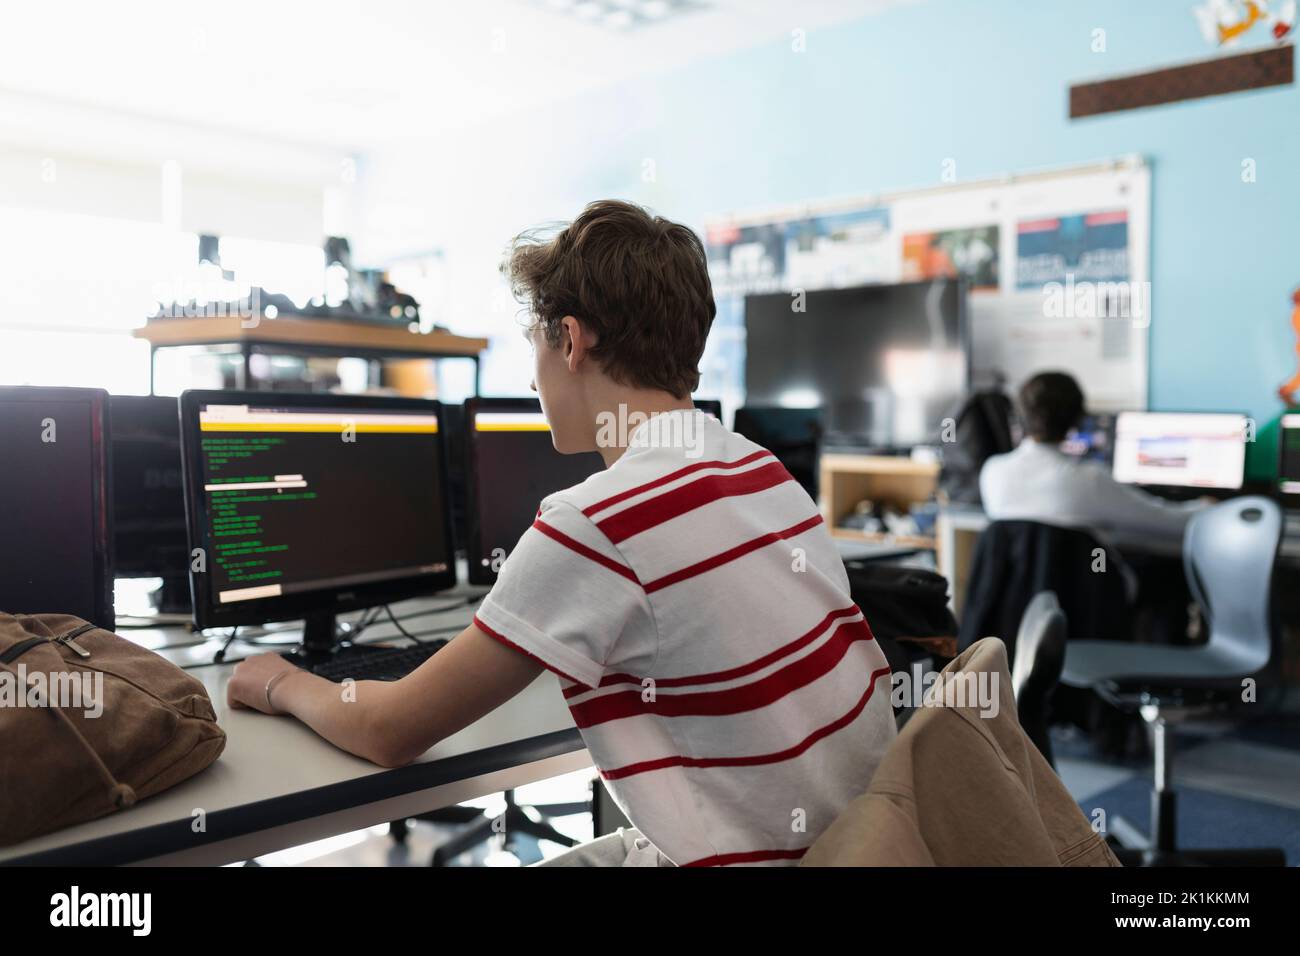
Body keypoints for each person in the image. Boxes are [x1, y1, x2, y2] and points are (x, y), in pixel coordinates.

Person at [226, 200, 896, 867]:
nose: (532, 377)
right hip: (861, 847)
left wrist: (278, 682)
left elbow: (390, 729)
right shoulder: (762, 468)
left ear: (571, 341)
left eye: (535, 346)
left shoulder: (595, 521)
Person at [980, 371, 1204, 538]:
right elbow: (1167, 521)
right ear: (1078, 419)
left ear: (1019, 415)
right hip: (1080, 597)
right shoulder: (1089, 480)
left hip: (1020, 599)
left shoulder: (992, 472)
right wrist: (1206, 507)